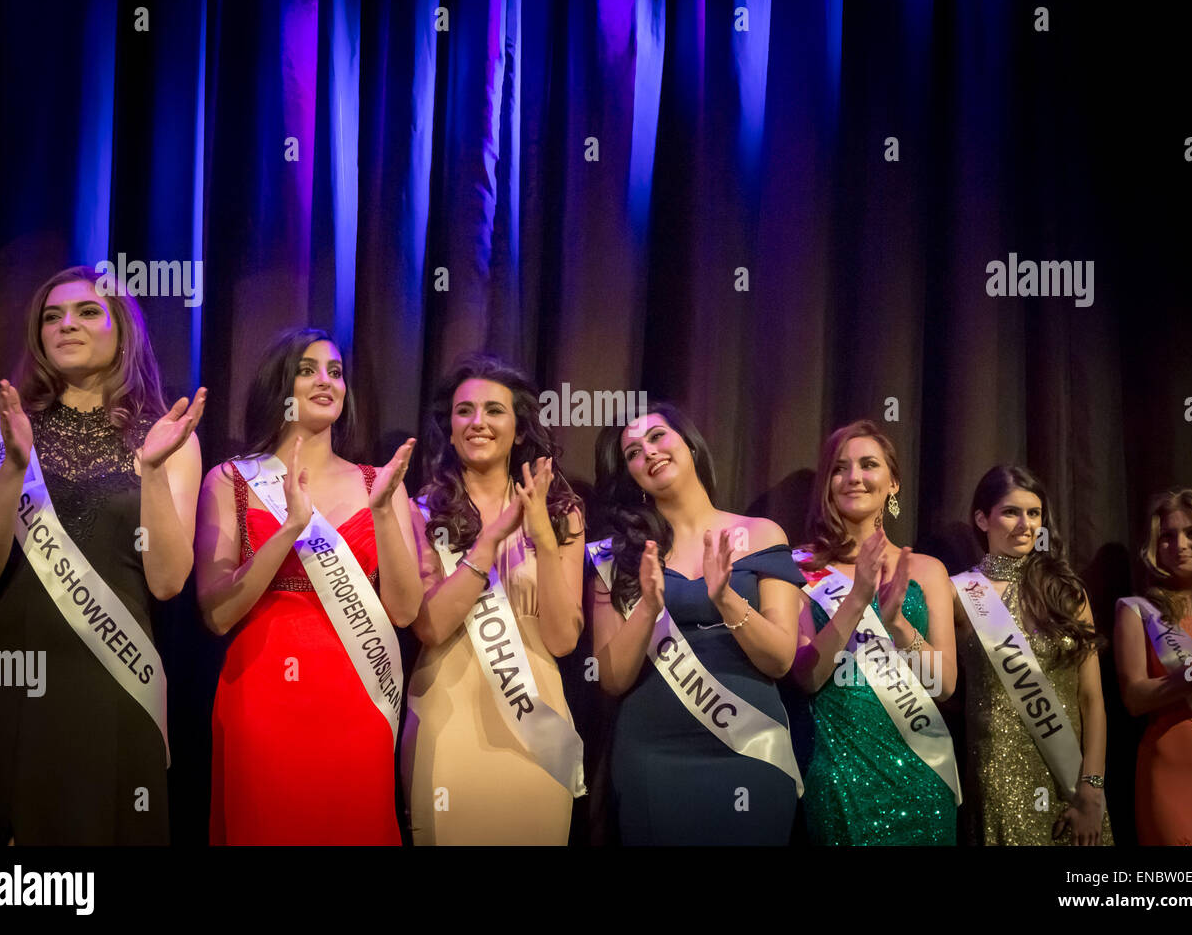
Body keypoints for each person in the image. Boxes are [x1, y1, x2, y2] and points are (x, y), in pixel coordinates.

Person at [0, 265, 203, 844]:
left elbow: (168, 582)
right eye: (51, 316)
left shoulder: (169, 439)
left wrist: (149, 469)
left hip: (116, 686)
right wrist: (14, 469)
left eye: (87, 311)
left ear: (123, 329)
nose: (65, 324)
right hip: (16, 687)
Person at [196, 327, 421, 844]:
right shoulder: (230, 479)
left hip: (359, 694)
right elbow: (216, 613)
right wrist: (289, 530)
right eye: (307, 369)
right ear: (280, 386)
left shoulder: (378, 482)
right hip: (263, 695)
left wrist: (384, 510)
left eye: (335, 372)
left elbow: (406, 613)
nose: (326, 381)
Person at [589, 403, 805, 844]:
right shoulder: (618, 555)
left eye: (657, 437)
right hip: (652, 755)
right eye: (631, 452)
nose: (647, 453)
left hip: (749, 748)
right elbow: (610, 678)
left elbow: (782, 658)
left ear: (689, 445)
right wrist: (648, 607)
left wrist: (725, 598)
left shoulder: (761, 534)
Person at [403, 354, 585, 845]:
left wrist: (543, 537)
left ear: (520, 429)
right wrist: (488, 544)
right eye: (464, 411)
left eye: (494, 411)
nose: (477, 422)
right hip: (447, 724)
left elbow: (564, 638)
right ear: (451, 426)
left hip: (536, 726)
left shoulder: (563, 513)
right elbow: (431, 627)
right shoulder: (419, 512)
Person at [789, 420, 959, 845]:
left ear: (893, 482)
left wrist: (899, 625)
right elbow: (806, 678)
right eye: (840, 468)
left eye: (869, 465)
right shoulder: (800, 568)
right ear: (828, 484)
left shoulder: (927, 570)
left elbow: (944, 685)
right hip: (840, 777)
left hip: (923, 774)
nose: (854, 478)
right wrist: (857, 597)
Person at [951, 465, 1113, 845]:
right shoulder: (957, 592)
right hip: (998, 780)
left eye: (1034, 513)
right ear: (981, 518)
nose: (1025, 524)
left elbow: (1092, 699)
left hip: (1072, 782)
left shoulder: (1067, 593)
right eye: (1011, 512)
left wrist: (1092, 788)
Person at [1113, 489, 1192, 844]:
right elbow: (1135, 698)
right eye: (1167, 536)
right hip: (1175, 776)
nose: (1179, 545)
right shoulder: (1138, 610)